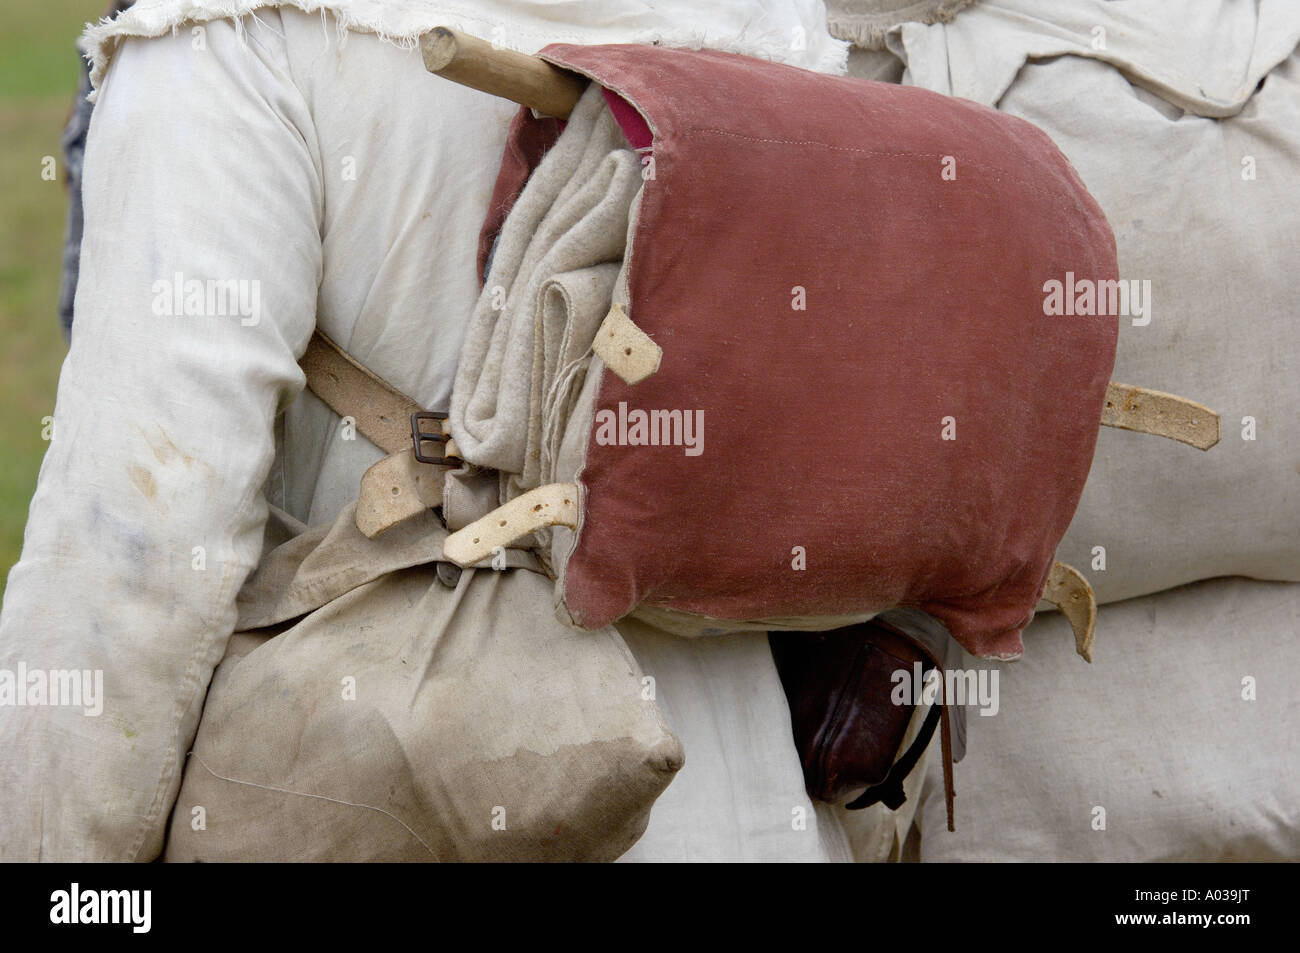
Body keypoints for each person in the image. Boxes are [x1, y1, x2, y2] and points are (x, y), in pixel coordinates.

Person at [1, 0, 859, 861]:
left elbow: (136, 547)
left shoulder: (235, 36)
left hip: (385, 798)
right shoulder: (780, 27)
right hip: (750, 808)